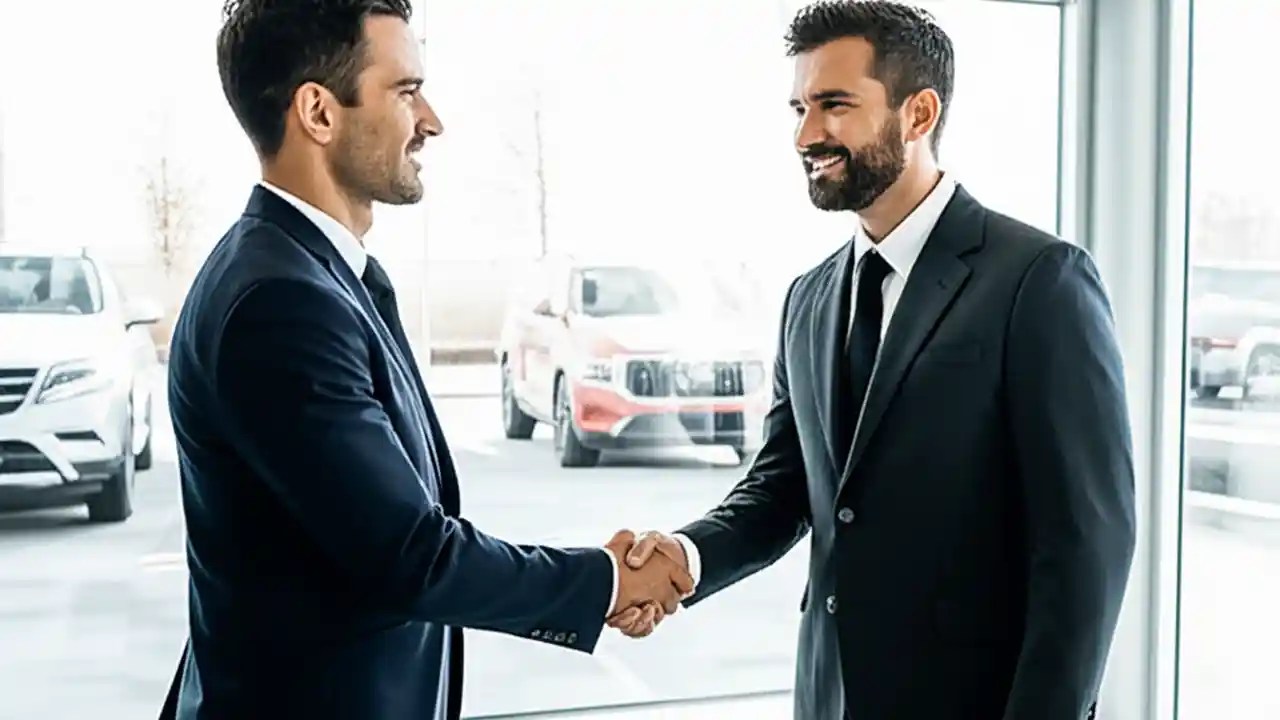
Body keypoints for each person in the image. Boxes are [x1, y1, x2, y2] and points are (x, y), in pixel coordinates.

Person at [159, 1, 691, 718]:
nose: (431, 121)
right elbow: (410, 556)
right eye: (406, 91)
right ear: (318, 112)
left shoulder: (312, 275)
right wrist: (609, 583)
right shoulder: (279, 301)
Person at [611, 2, 1137, 718]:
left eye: (834, 105)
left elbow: (1085, 549)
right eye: (799, 107)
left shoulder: (1039, 281)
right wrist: (683, 557)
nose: (805, 134)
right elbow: (780, 491)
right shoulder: (808, 299)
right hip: (828, 699)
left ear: (918, 113)